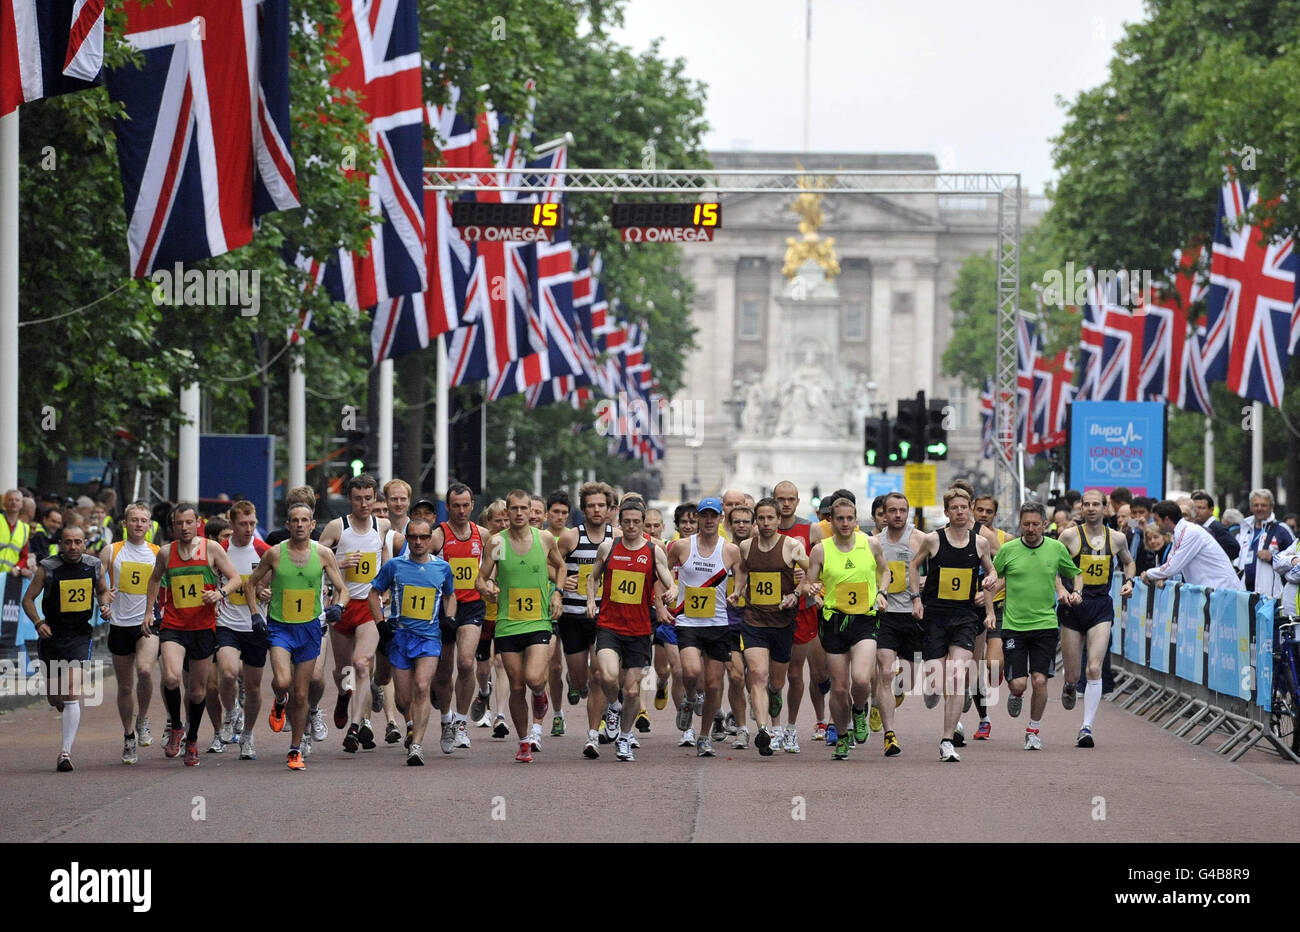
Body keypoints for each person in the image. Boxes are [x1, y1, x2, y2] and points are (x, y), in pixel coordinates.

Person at [244, 502, 350, 770]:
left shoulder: (324, 554)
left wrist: (339, 606)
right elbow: (250, 583)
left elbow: (342, 588)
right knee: (282, 681)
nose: (300, 525)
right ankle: (280, 701)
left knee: (301, 694)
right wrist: (256, 613)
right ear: (288, 525)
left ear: (313, 525)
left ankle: (295, 748)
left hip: (309, 629)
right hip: (280, 627)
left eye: (305, 520)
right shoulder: (274, 554)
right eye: (295, 520)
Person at [144, 503, 246, 766]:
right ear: (173, 526)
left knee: (198, 692)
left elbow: (235, 579)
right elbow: (154, 579)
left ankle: (192, 739)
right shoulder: (166, 553)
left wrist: (219, 593)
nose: (184, 527)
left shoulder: (210, 549)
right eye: (179, 523)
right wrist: (149, 612)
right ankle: (176, 726)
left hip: (202, 628)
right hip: (173, 625)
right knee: (170, 677)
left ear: (197, 523)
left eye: (189, 522)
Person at [476, 490, 566, 762]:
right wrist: (487, 589)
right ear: (507, 512)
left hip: (538, 620)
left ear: (531, 511)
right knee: (516, 686)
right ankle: (524, 741)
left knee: (534, 678)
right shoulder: (497, 542)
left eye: (523, 508)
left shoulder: (545, 539)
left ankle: (540, 694)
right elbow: (481, 578)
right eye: (513, 508)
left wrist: (558, 593)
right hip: (507, 623)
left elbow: (561, 567)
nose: (518, 513)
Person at [586, 498, 677, 761]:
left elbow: (670, 582)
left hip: (639, 630)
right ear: (620, 522)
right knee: (606, 675)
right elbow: (593, 578)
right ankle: (613, 706)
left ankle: (624, 738)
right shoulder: (608, 547)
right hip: (609, 625)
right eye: (626, 522)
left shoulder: (653, 550)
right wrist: (592, 601)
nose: (632, 526)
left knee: (634, 691)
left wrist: (671, 591)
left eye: (637, 522)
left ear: (642, 523)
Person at [909, 488, 997, 762]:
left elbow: (992, 570)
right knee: (937, 679)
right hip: (935, 616)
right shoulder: (933, 540)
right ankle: (931, 687)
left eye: (964, 507)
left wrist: (990, 585)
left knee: (958, 676)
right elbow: (913, 566)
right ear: (947, 512)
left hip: (964, 617)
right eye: (954, 508)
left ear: (970, 510)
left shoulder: (980, 543)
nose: (960, 512)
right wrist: (916, 599)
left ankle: (947, 740)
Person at [802, 497, 889, 760]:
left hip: (864, 618)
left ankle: (860, 710)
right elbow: (808, 583)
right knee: (839, 688)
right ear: (831, 520)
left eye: (850, 518)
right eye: (839, 519)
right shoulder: (821, 550)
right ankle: (841, 735)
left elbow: (885, 572)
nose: (845, 523)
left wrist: (881, 593)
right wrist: (813, 591)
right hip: (834, 621)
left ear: (856, 519)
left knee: (862, 679)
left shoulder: (870, 544)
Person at [989, 501, 1078, 751]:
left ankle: (1033, 730)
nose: (1031, 529)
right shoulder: (1009, 550)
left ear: (1043, 525)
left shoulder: (1056, 548)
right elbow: (992, 579)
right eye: (1026, 524)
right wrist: (988, 609)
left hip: (1045, 624)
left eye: (1036, 524)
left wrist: (1075, 592)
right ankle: (1016, 695)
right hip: (1014, 626)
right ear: (1020, 524)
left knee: (1039, 680)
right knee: (1019, 684)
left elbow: (1075, 573)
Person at [23, 525, 112, 771]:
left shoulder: (94, 565)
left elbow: (103, 591)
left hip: (80, 635)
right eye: (68, 542)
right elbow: (27, 599)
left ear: (85, 543)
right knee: (55, 698)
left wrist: (104, 606)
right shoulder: (48, 568)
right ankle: (66, 710)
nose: (73, 547)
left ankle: (65, 752)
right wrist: (39, 622)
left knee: (72, 689)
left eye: (78, 542)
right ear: (61, 544)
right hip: (51, 636)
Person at [318, 474, 397, 753]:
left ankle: (355, 726)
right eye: (358, 498)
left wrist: (387, 587)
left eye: (369, 498)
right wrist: (338, 561)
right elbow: (314, 557)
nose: (364, 504)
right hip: (342, 605)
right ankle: (343, 695)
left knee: (362, 664)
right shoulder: (337, 527)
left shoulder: (382, 525)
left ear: (375, 498)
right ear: (349, 499)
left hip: (369, 606)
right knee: (343, 670)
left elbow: (386, 557)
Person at [369, 517, 456, 765]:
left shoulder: (442, 568)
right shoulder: (394, 566)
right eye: (413, 537)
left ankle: (416, 746)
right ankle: (409, 721)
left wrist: (449, 618)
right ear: (407, 539)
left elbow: (451, 595)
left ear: (431, 540)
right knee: (403, 698)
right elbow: (373, 593)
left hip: (429, 637)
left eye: (423, 537)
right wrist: (380, 623)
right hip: (400, 637)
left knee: (421, 687)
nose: (418, 542)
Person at [1055, 490, 1136, 747]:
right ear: (1080, 508)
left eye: (1095, 504)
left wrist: (1130, 581)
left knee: (1093, 668)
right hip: (1072, 607)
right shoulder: (1069, 536)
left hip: (1100, 607)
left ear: (1105, 508)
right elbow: (1053, 567)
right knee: (1072, 674)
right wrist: (1063, 592)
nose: (1090, 508)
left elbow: (1129, 562)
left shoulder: (1117, 538)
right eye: (1086, 504)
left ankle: (1086, 727)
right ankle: (1069, 686)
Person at [730, 497, 808, 755]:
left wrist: (796, 593)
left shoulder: (792, 546)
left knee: (776, 682)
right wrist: (738, 590)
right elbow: (742, 570)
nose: (765, 523)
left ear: (778, 520)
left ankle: (774, 708)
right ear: (756, 520)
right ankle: (765, 730)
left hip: (783, 622)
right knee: (758, 675)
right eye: (761, 518)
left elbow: (814, 573)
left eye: (770, 518)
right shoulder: (746, 546)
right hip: (753, 620)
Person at [665, 498, 741, 757]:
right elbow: (661, 573)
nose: (709, 520)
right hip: (688, 621)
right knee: (690, 671)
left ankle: (704, 736)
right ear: (697, 518)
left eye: (714, 516)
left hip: (718, 623)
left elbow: (741, 577)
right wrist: (662, 599)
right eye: (704, 515)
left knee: (712, 685)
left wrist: (737, 593)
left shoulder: (729, 550)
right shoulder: (681, 547)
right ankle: (688, 698)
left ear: (721, 518)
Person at [429, 483, 490, 753]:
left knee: (466, 664)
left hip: (472, 607)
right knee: (443, 672)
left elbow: (493, 567)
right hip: (443, 608)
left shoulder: (484, 535)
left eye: (466, 505)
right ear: (448, 507)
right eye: (456, 506)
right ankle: (446, 720)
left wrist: (491, 585)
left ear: (473, 505)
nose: (461, 510)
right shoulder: (437, 536)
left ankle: (461, 722)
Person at [208, 501, 271, 759]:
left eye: (252, 524)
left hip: (256, 625)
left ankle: (248, 735)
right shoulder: (220, 551)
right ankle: (232, 711)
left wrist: (269, 593)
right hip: (228, 623)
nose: (248, 529)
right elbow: (209, 582)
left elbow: (280, 583)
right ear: (231, 524)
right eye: (243, 524)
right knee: (229, 672)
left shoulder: (265, 551)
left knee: (254, 687)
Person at [557, 482, 616, 755]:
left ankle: (593, 734)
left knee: (598, 674)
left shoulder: (616, 537)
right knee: (581, 679)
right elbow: (552, 563)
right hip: (572, 615)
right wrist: (561, 581)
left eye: (601, 505)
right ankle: (574, 682)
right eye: (591, 505)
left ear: (608, 509)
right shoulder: (571, 537)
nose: (596, 510)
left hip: (604, 616)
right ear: (583, 509)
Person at [103, 502, 161, 763]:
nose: (139, 524)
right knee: (125, 686)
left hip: (147, 622)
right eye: (134, 520)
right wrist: (103, 602)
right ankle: (128, 736)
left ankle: (143, 719)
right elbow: (96, 582)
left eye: (143, 520)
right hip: (119, 625)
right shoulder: (111, 551)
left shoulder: (158, 553)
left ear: (150, 525)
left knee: (146, 670)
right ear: (125, 524)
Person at [772, 480, 827, 754]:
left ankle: (791, 728)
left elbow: (823, 564)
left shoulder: (810, 528)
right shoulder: (764, 529)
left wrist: (814, 587)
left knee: (795, 672)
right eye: (780, 499)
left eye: (790, 499)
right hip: (769, 610)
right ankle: (774, 727)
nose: (785, 504)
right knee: (772, 677)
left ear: (797, 501)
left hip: (803, 609)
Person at [874, 491, 926, 755]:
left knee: (908, 679)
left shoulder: (920, 540)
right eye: (892, 511)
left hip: (912, 614)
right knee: (884, 671)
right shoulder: (873, 543)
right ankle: (889, 735)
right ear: (883, 514)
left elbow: (939, 569)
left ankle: (890, 696)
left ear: (908, 513)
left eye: (902, 511)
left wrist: (925, 587)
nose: (897, 515)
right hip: (884, 614)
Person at [1144, 500, 1243, 591]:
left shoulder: (1189, 532)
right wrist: (1160, 576)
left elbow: (1171, 568)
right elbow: (1170, 562)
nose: (1156, 524)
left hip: (1222, 590)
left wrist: (1148, 574)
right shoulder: (1181, 532)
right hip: (1215, 592)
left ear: (1166, 519)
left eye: (1157, 520)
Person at [1235, 489, 1294, 599]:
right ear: (1251, 507)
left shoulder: (1282, 530)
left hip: (1271, 598)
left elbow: (1296, 561)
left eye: (1263, 505)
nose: (1259, 508)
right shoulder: (1244, 529)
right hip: (1244, 596)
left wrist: (1273, 558)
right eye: (1256, 505)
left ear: (1271, 506)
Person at [1191, 490, 1240, 562]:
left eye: (1201, 508)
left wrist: (1214, 559)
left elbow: (1234, 548)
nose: (1197, 511)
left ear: (1211, 511)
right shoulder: (1197, 527)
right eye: (1194, 508)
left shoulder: (1217, 528)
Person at [0, 488, 33, 578]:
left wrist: (18, 568)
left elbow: (24, 556)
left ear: (21, 504)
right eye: (10, 499)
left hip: (8, 577)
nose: (14, 502)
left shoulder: (25, 528)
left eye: (17, 500)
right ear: (4, 503)